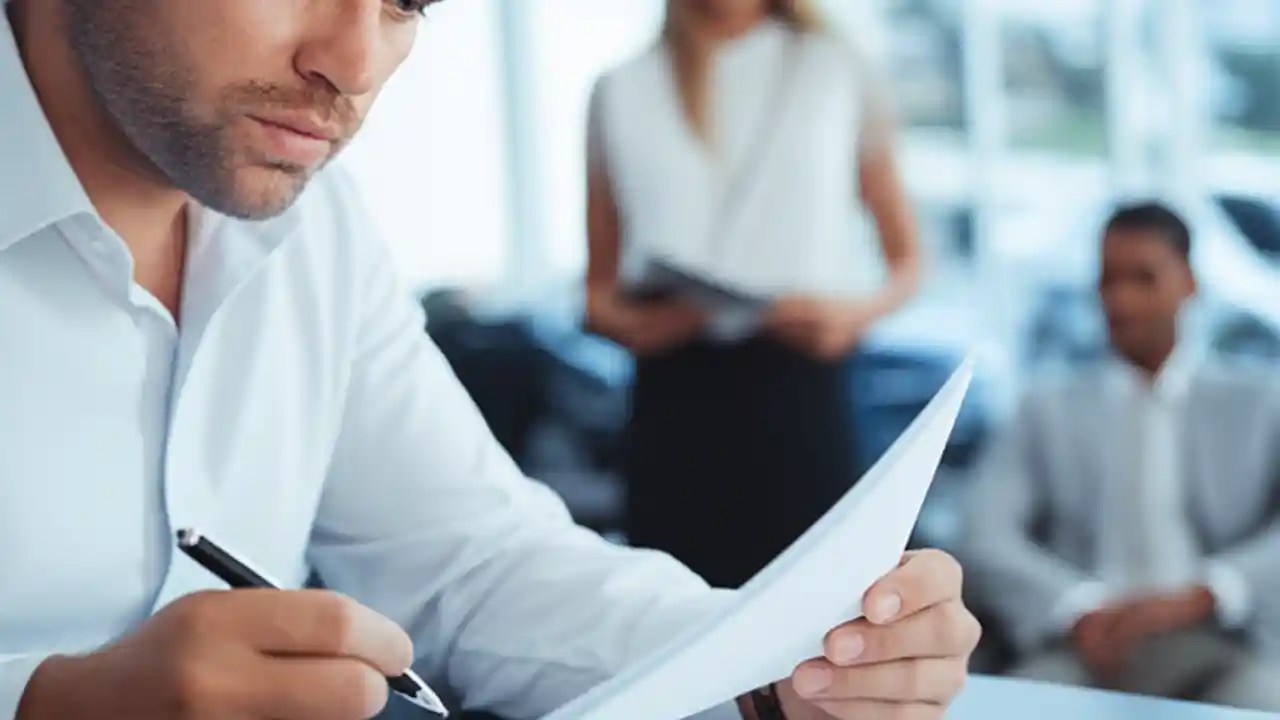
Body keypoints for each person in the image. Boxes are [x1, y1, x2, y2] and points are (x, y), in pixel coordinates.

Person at [0, 1, 979, 719]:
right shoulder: (623, 89)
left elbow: (471, 565)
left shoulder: (317, 231)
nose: (355, 62)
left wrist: (766, 663)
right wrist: (47, 705)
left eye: (407, 3)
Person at [585, 0, 921, 589]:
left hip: (802, 384)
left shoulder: (836, 70)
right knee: (675, 623)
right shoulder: (621, 89)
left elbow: (909, 262)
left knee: (821, 622)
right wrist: (635, 325)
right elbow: (597, 295)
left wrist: (855, 315)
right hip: (675, 399)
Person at [963, 203, 1280, 711]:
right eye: (1108, 280)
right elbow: (985, 533)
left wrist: (1210, 590)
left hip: (1217, 641)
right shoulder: (1046, 407)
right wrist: (1078, 606)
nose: (1122, 300)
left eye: (1144, 278)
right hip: (1086, 642)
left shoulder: (1258, 402)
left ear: (1189, 283)